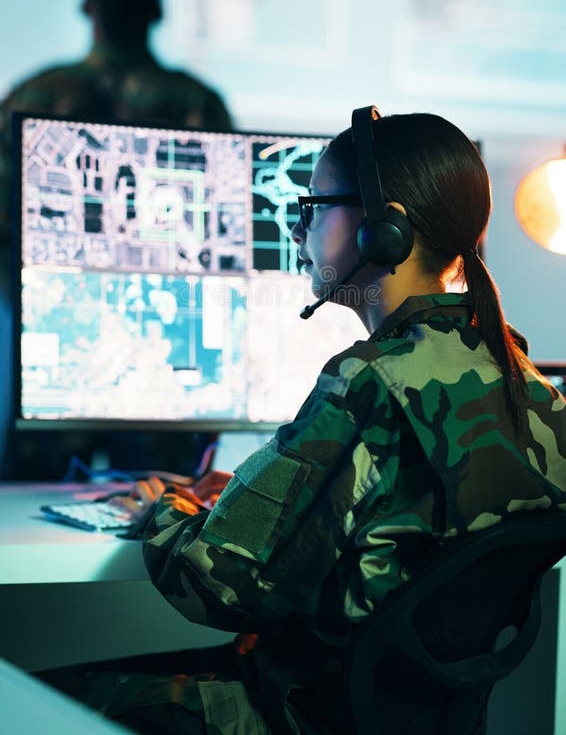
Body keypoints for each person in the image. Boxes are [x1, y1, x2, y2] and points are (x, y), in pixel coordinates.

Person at [39, 108, 566, 734]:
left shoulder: (370, 379)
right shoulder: (529, 386)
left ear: (383, 230)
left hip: (297, 714)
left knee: (30, 696)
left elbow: (219, 585)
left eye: (313, 206)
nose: (301, 227)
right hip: (415, 716)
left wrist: (163, 509)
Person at [0, 0, 233, 243]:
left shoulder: (33, 97)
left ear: (87, 5)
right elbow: (225, 219)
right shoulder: (199, 103)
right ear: (157, 10)